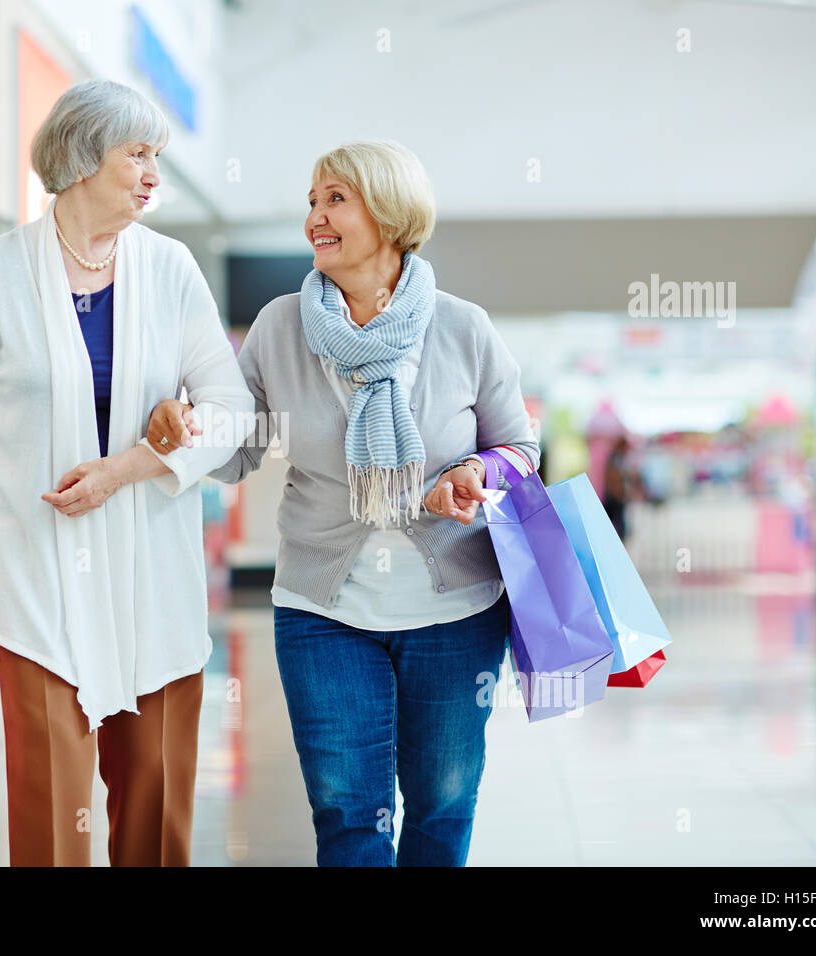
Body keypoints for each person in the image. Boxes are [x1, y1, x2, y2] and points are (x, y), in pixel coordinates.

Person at [0, 79, 253, 867]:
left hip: (151, 571)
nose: (151, 174)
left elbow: (231, 407)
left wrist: (134, 464)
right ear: (78, 158)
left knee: (157, 795)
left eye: (158, 158)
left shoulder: (169, 269)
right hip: (32, 568)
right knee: (50, 805)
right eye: (137, 154)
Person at [147, 141, 539, 866]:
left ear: (389, 214)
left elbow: (520, 448)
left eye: (335, 200)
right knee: (347, 814)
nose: (315, 218)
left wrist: (474, 473)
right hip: (322, 608)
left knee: (442, 808)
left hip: (457, 608)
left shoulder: (462, 327)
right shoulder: (280, 327)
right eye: (311, 201)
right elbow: (237, 454)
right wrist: (185, 427)